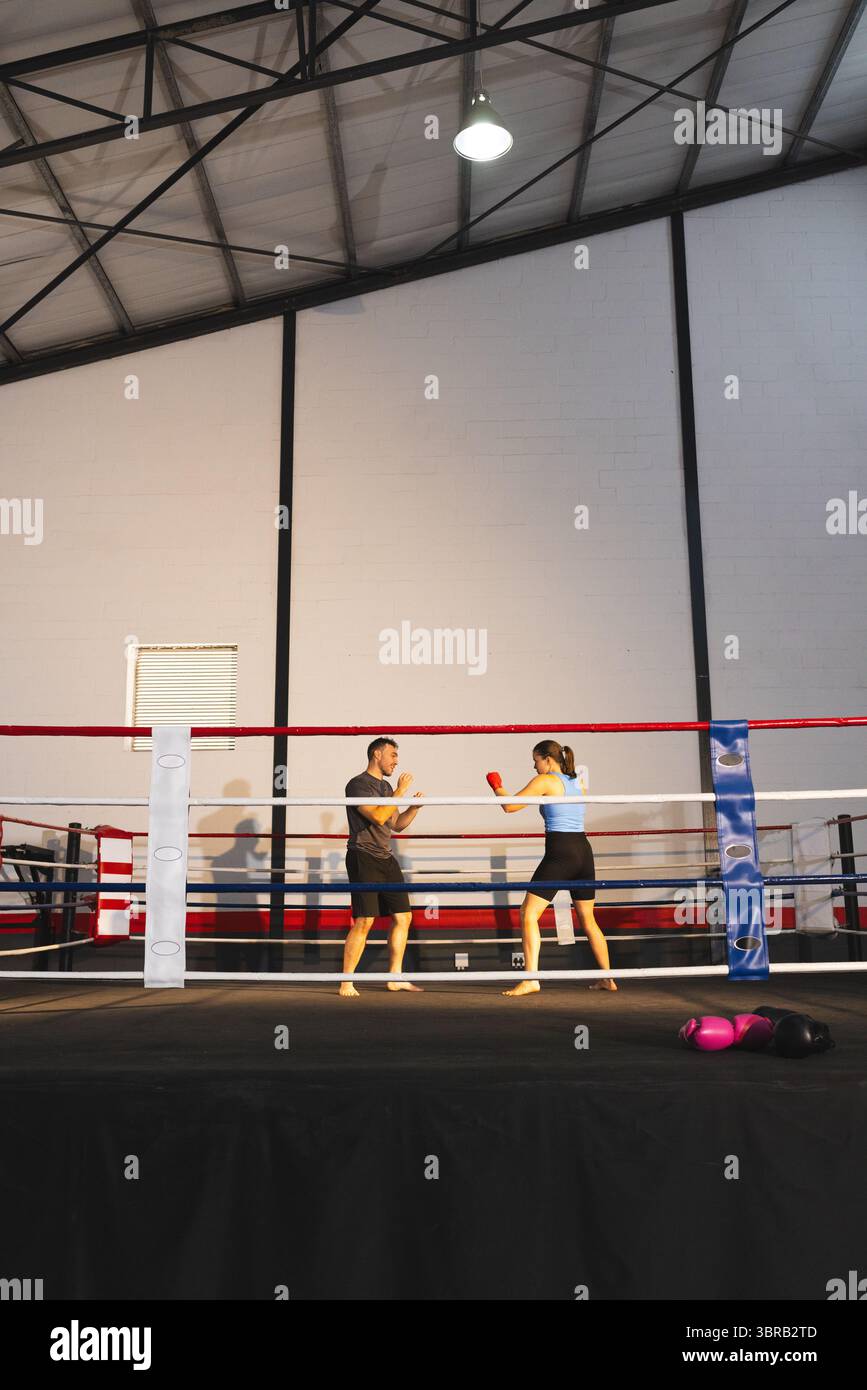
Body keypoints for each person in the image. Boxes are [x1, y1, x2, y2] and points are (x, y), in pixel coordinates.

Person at [486, 740, 616, 996]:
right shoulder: (575, 782)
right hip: (583, 851)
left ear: (547, 759)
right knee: (588, 919)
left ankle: (531, 979)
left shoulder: (546, 780)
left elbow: (510, 806)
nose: (534, 767)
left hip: (562, 852)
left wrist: (496, 785)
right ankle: (608, 979)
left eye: (535, 761)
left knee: (528, 914)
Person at [340, 736, 423, 997]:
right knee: (365, 920)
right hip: (363, 855)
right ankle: (346, 982)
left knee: (404, 917)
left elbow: (395, 824)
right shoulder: (357, 785)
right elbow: (377, 817)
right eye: (393, 755)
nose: (396, 761)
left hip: (385, 857)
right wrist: (399, 792)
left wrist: (414, 807)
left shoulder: (387, 788)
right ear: (377, 754)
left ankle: (394, 977)